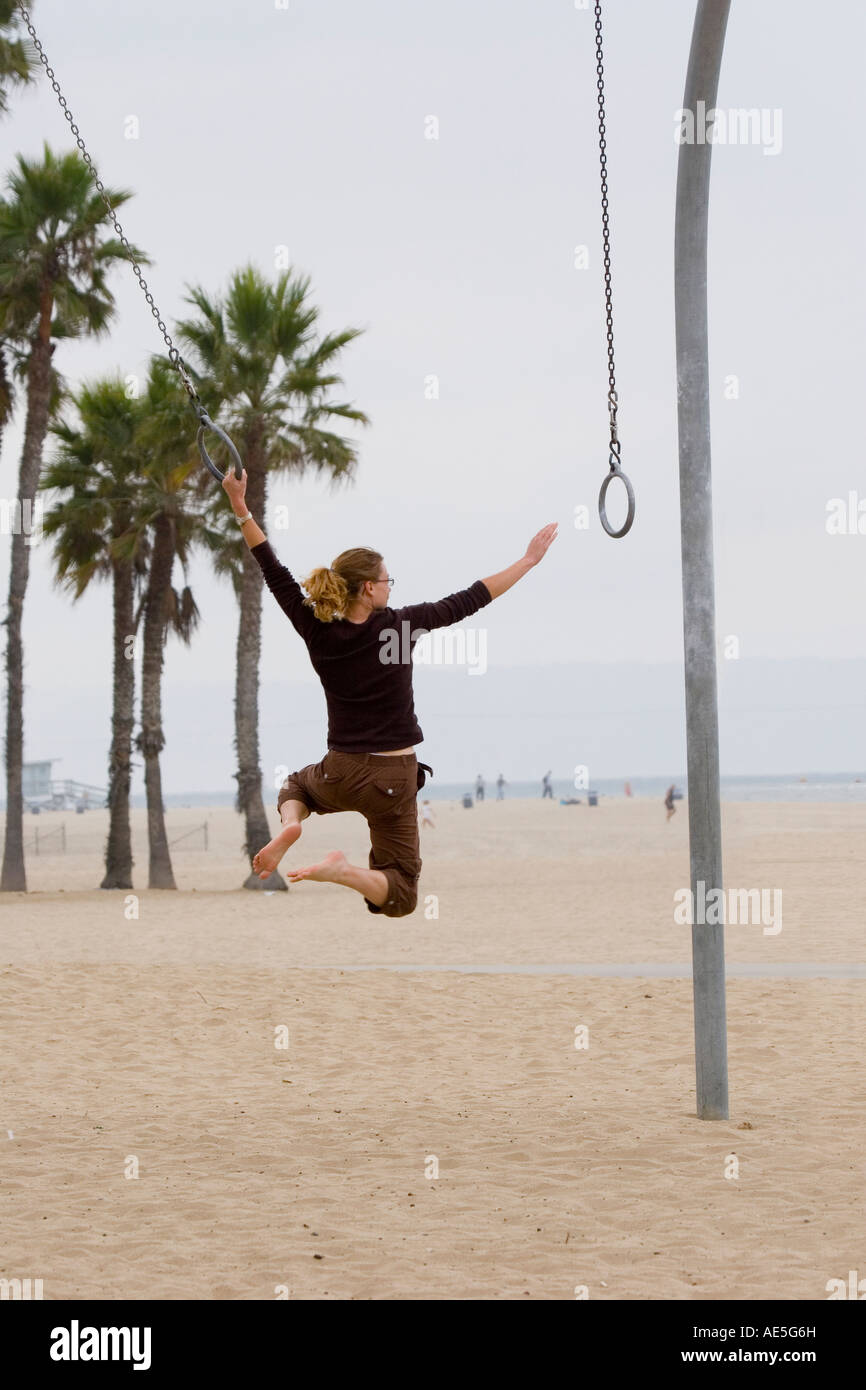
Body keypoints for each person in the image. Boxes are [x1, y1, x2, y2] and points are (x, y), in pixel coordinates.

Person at [222, 466, 557, 917]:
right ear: (368, 587)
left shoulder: (317, 629)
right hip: (394, 776)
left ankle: (291, 826)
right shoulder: (400, 627)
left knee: (295, 786)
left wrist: (240, 507)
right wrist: (529, 561)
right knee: (401, 893)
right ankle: (343, 871)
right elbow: (471, 598)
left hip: (340, 771)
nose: (389, 587)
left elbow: (273, 570)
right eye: (386, 581)